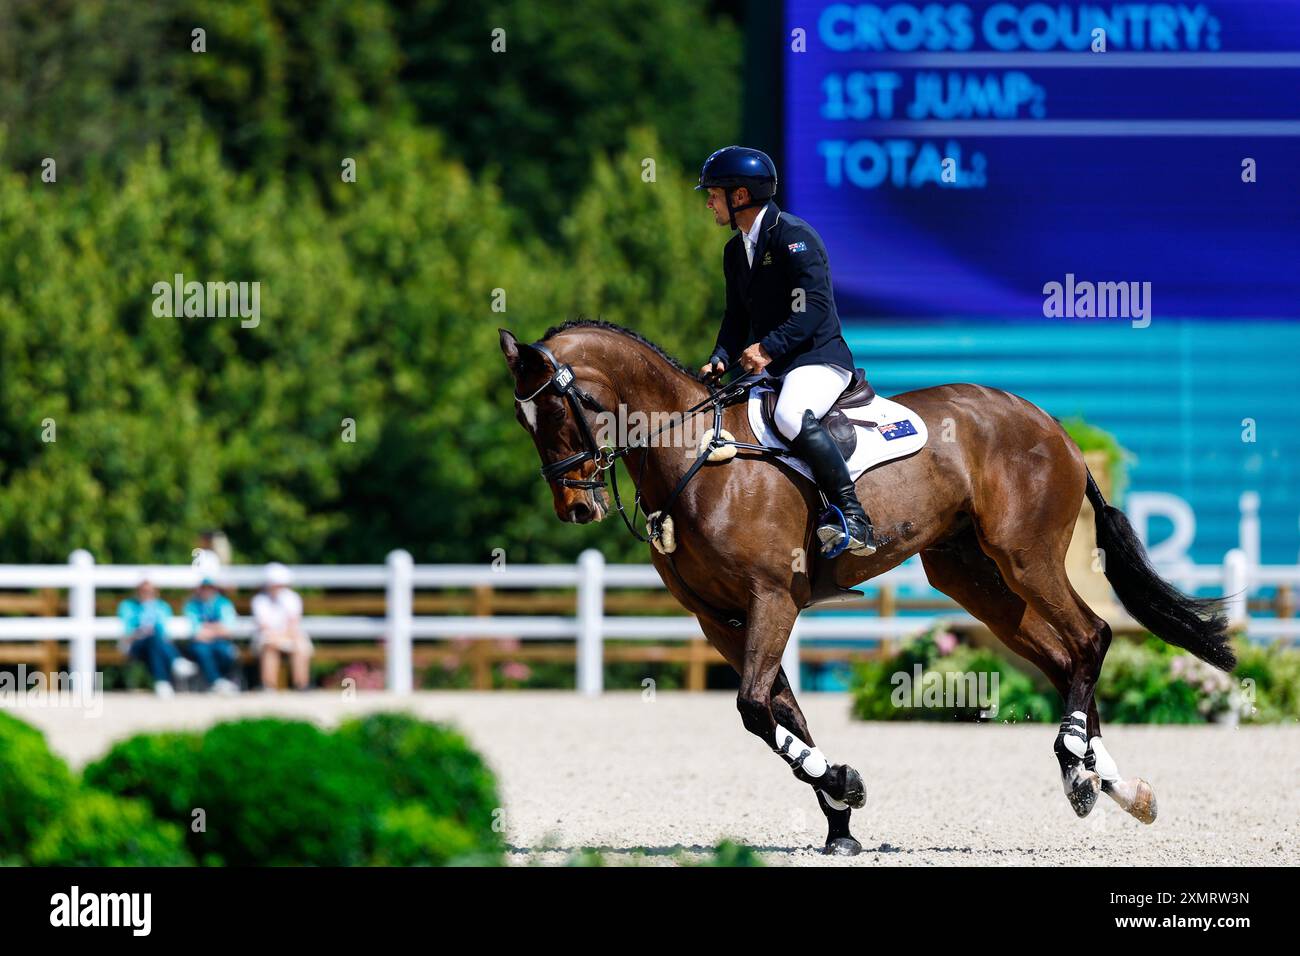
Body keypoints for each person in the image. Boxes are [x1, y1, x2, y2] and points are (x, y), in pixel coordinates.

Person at [695, 145, 877, 557]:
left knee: (790, 414)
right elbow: (736, 315)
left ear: (739, 196)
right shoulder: (734, 250)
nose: (708, 201)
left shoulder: (794, 237)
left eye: (713, 193)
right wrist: (721, 355)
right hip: (774, 365)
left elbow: (814, 307)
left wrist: (768, 349)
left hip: (818, 359)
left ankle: (853, 515)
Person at [117, 579, 197, 697]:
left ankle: (162, 682)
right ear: (138, 592)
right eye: (143, 591)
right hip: (135, 645)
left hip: (156, 644)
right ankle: (175, 662)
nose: (146, 594)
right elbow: (127, 633)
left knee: (154, 642)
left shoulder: (162, 607)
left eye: (150, 592)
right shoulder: (128, 606)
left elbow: (164, 632)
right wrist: (141, 632)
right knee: (154, 640)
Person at [251, 562, 313, 690]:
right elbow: (264, 627)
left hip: (288, 635)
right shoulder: (259, 600)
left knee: (300, 647)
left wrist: (282, 637)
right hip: (268, 636)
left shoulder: (292, 598)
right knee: (269, 647)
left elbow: (293, 624)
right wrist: (278, 638)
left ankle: (301, 684)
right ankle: (268, 685)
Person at [182, 578, 240, 695]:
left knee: (224, 651)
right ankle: (217, 682)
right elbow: (195, 632)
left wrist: (206, 628)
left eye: (209, 588)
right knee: (202, 651)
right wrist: (217, 628)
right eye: (204, 588)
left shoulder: (224, 603)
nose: (206, 591)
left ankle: (220, 682)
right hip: (201, 643)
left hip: (220, 642)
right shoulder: (191, 605)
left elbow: (228, 630)